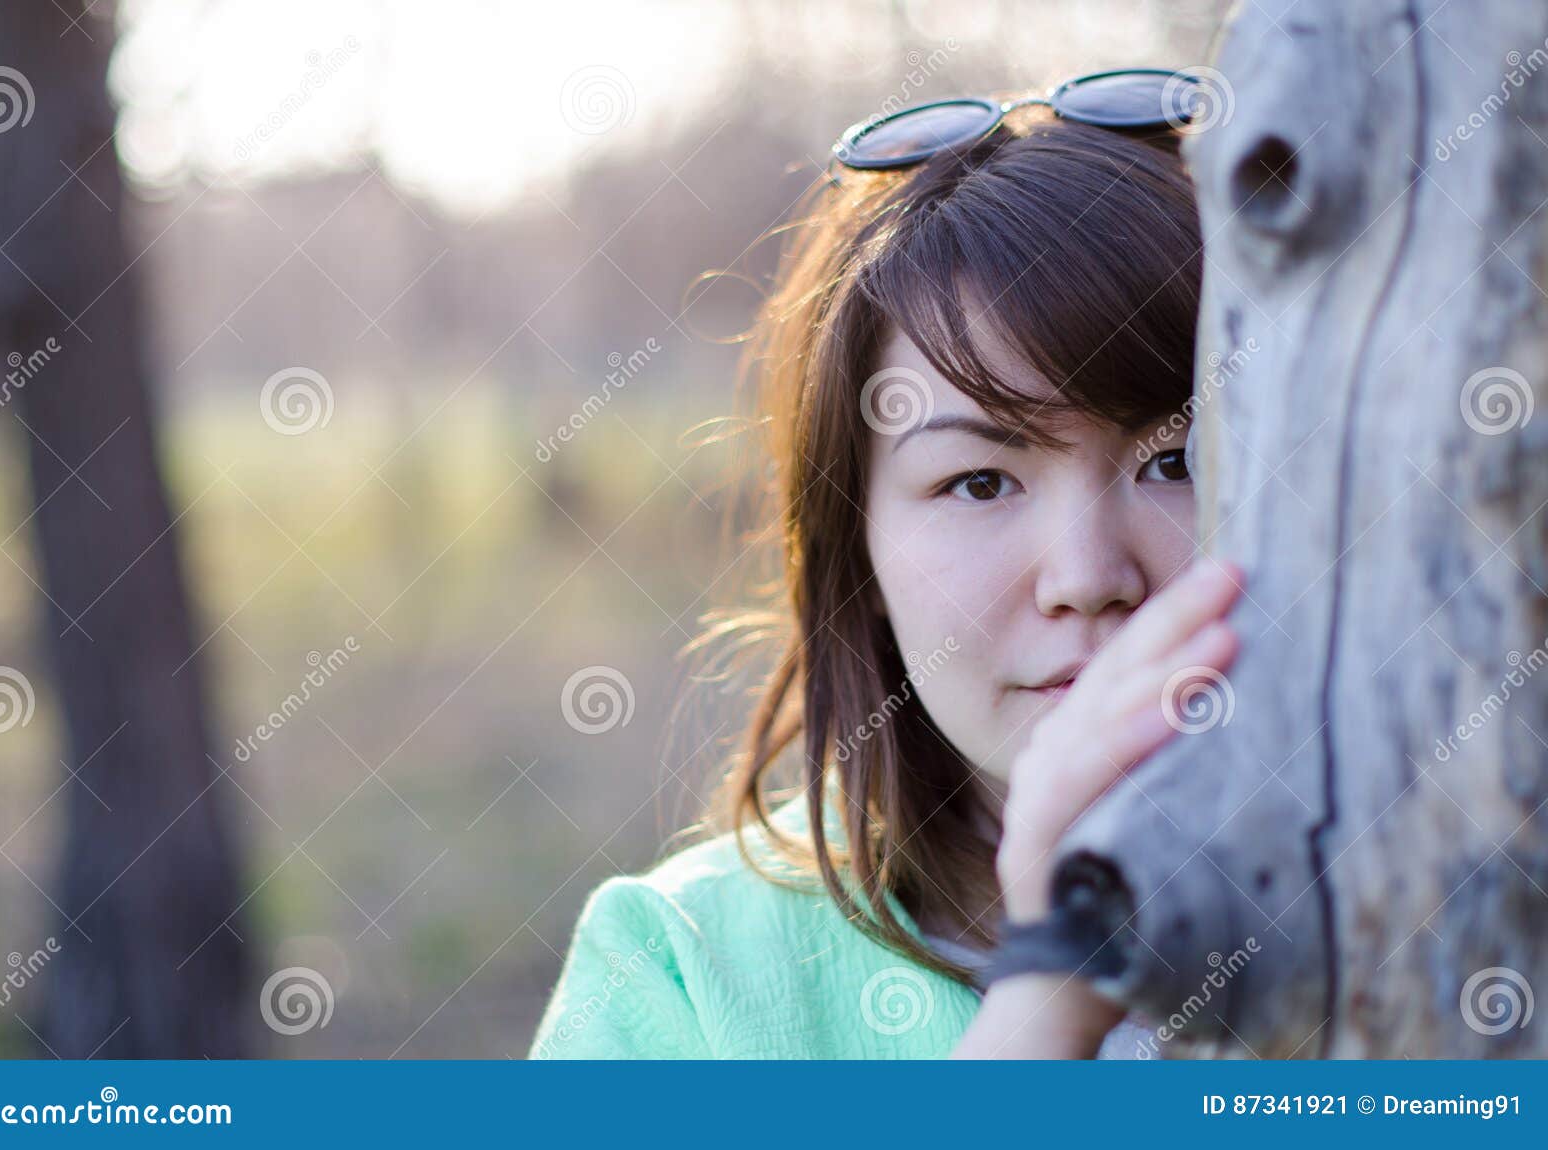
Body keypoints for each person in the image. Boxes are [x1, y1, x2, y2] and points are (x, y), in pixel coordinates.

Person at [529, 71, 1243, 1059]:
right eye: (979, 482)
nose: (1086, 576)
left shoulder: (1450, 895)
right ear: (854, 545)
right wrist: (1047, 998)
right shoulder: (679, 977)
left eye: (1177, 462)